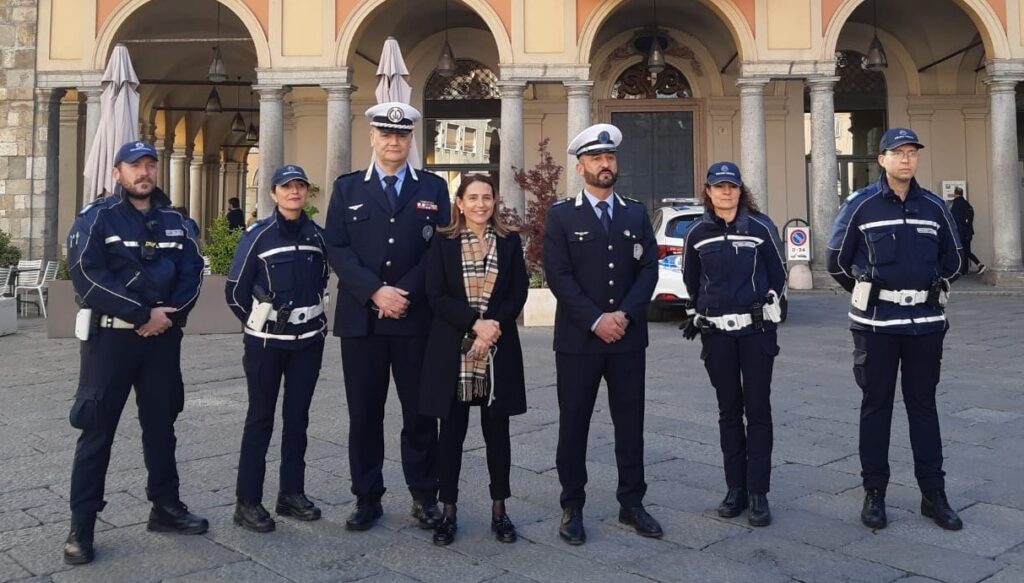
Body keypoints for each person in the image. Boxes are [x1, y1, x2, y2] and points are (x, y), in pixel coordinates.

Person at [63, 140, 207, 565]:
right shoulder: (97, 218)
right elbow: (86, 276)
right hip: (111, 342)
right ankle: (81, 526)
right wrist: (142, 313)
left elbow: (193, 273)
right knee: (96, 430)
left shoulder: (175, 221)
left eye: (149, 164)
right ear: (117, 173)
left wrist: (167, 315)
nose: (143, 172)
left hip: (162, 339)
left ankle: (166, 507)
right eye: (134, 165)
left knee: (162, 426)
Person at [827, 127, 964, 531]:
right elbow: (836, 261)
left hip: (925, 325)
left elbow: (955, 261)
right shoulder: (861, 205)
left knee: (924, 408)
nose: (906, 159)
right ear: (881, 159)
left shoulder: (934, 207)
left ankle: (934, 494)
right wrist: (868, 293)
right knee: (876, 407)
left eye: (912, 152)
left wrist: (927, 287)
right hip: (877, 326)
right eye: (898, 152)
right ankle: (875, 493)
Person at [325, 102, 451, 531]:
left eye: (401, 134)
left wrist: (404, 293)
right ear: (372, 138)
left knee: (420, 414)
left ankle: (424, 495)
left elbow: (440, 249)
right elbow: (337, 247)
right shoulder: (347, 189)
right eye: (386, 134)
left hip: (415, 319)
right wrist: (375, 291)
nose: (394, 141)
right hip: (362, 320)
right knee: (364, 414)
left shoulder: (432, 187)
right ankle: (366, 497)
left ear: (410, 139)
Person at [543, 123, 662, 545]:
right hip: (578, 340)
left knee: (630, 424)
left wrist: (624, 315)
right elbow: (558, 275)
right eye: (595, 158)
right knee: (573, 424)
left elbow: (649, 269)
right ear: (580, 167)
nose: (605, 164)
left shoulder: (635, 212)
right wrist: (596, 320)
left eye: (609, 157)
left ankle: (632, 503)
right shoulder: (561, 214)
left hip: (627, 339)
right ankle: (572, 505)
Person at [419, 175, 529, 546]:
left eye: (487, 197)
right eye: (473, 198)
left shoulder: (509, 241)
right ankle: (448, 510)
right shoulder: (443, 241)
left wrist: (491, 328)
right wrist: (474, 324)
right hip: (453, 350)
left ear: (495, 201)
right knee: (451, 434)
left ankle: (500, 510)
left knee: (498, 433)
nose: (481, 204)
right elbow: (435, 294)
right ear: (460, 203)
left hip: (498, 349)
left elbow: (518, 291)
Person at [680, 161, 787, 527]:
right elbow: (691, 280)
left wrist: (769, 303)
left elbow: (778, 274)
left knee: (757, 410)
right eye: (719, 186)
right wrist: (701, 311)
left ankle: (758, 492)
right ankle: (735, 489)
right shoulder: (696, 234)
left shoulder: (760, 227)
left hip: (756, 332)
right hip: (718, 335)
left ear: (741, 190)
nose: (726, 192)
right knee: (728, 411)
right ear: (708, 192)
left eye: (732, 186)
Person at [225, 164, 329, 533]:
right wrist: (259, 324)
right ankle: (247, 502)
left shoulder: (318, 236)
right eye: (286, 187)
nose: (294, 192)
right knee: (260, 419)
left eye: (300, 186)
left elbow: (323, 281)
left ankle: (291, 493)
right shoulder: (258, 236)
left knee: (298, 419)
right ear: (274, 193)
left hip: (308, 343)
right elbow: (235, 291)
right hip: (267, 345)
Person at [949, 187, 986, 275]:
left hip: (960, 232)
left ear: (955, 194)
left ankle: (979, 265)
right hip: (968, 232)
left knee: (963, 251)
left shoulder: (955, 203)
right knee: (966, 250)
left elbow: (953, 218)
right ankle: (964, 271)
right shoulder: (966, 203)